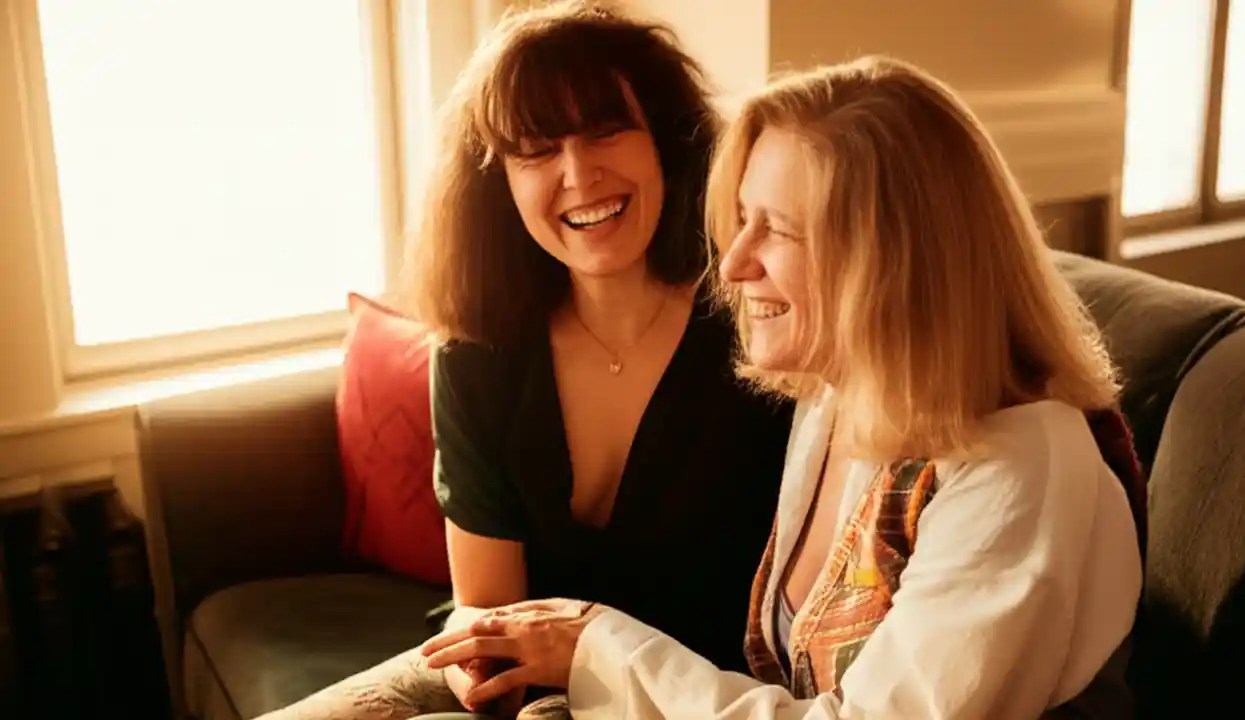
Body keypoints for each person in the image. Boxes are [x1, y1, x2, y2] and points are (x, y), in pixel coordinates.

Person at [419, 56, 1148, 719]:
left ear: (892, 257)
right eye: (742, 219)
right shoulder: (831, 399)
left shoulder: (1020, 464)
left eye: (779, 230)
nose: (733, 263)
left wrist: (597, 646)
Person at [256, 3, 793, 720]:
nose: (579, 173)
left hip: (696, 689)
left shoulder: (760, 321)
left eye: (606, 130)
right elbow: (484, 606)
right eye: (536, 151)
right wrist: (477, 664)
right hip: (520, 672)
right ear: (499, 184)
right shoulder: (477, 353)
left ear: (668, 141)